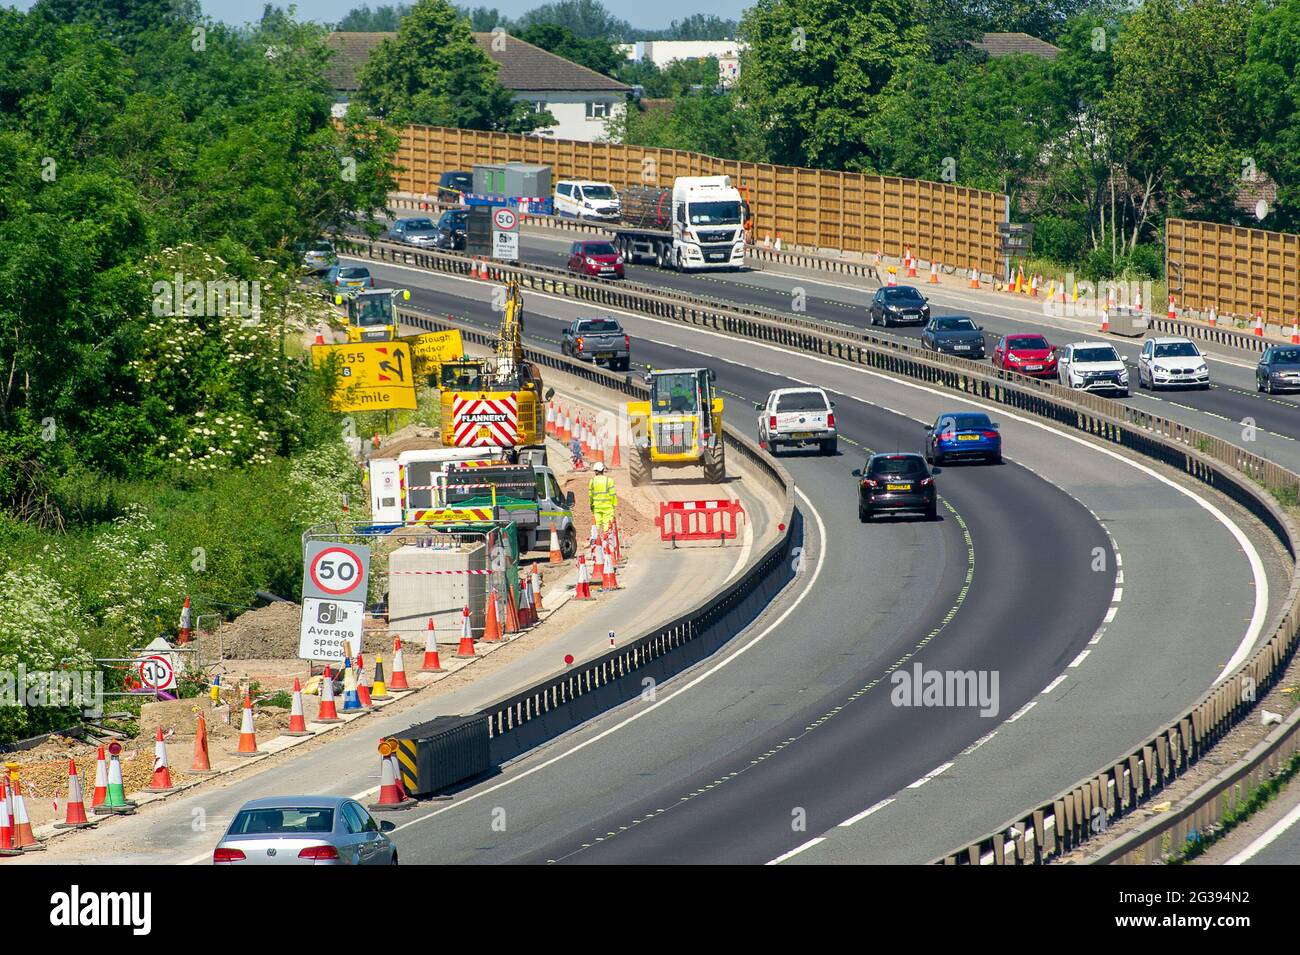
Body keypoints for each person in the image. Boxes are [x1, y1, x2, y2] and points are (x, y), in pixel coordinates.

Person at [588, 461, 618, 533]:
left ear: (595, 471)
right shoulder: (609, 480)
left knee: (596, 525)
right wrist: (614, 504)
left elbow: (590, 495)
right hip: (608, 507)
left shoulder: (592, 481)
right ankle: (606, 541)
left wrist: (591, 505)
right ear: (603, 470)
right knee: (607, 525)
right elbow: (612, 494)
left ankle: (595, 540)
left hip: (597, 507)